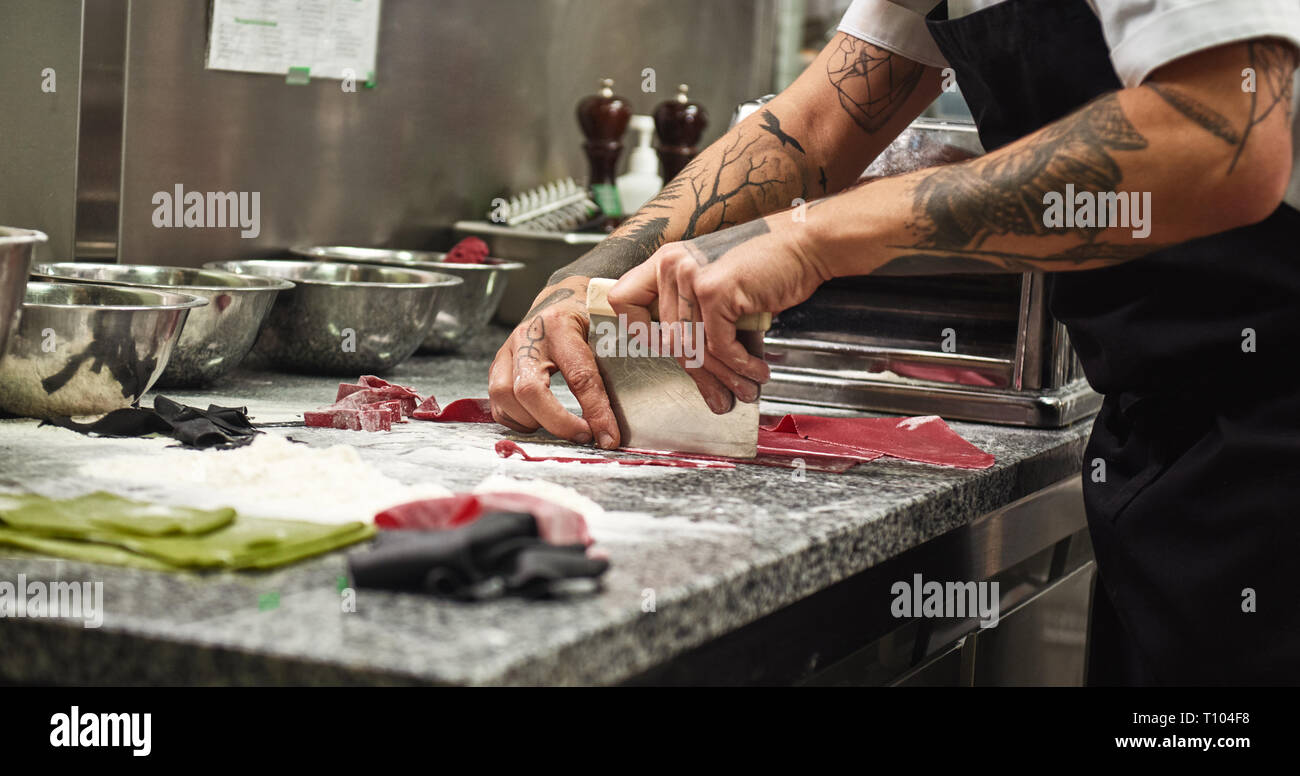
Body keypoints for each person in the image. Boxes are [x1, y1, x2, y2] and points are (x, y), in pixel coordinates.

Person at [489, 0, 1300, 685]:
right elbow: (811, 124)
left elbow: (1221, 139)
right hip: (1172, 443)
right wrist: (582, 280)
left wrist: (812, 241)